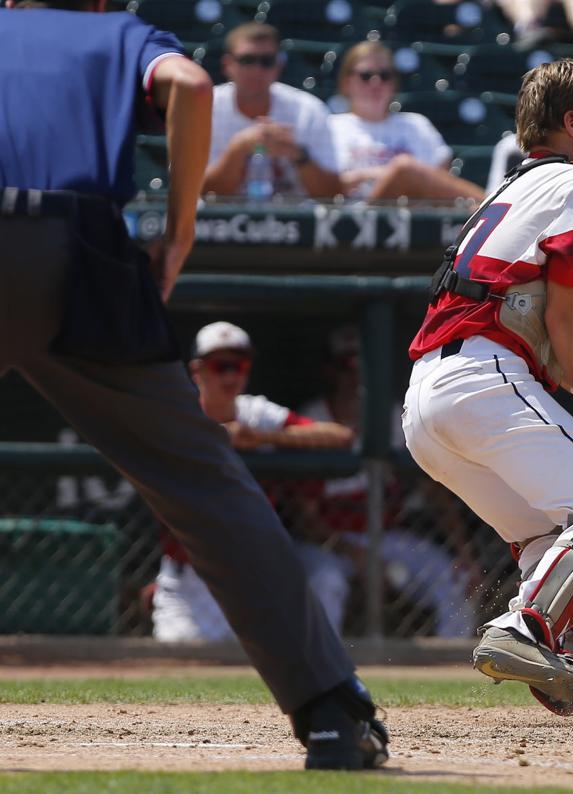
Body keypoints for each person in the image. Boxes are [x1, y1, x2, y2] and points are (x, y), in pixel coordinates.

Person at [0, 0, 386, 769]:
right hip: (75, 249)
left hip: (64, 238)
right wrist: (180, 232)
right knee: (200, 479)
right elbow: (190, 83)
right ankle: (330, 715)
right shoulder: (116, 32)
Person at [402, 59, 573, 718]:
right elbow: (568, 324)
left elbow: (540, 332)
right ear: (571, 122)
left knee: (553, 536)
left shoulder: (512, 188)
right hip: (483, 380)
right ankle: (523, 629)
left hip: (431, 401)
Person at [152, 322, 355, 643]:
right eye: (221, 366)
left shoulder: (256, 414)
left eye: (240, 365)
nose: (231, 376)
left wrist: (261, 437)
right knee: (180, 660)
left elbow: (340, 437)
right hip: (194, 578)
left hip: (255, 570)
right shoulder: (179, 416)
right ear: (197, 371)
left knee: (322, 581)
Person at [291, 326, 479, 639]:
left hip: (385, 536)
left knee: (455, 577)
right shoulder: (310, 419)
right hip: (327, 544)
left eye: (360, 366)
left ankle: (453, 659)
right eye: (345, 366)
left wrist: (464, 552)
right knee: (327, 582)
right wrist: (354, 553)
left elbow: (433, 490)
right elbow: (301, 518)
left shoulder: (391, 416)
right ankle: (325, 662)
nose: (354, 376)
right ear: (329, 370)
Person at [331, 41, 485, 204]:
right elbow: (325, 185)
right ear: (346, 83)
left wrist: (367, 175)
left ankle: (485, 207)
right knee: (404, 169)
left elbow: (439, 180)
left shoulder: (416, 124)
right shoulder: (332, 127)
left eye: (385, 75)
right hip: (353, 213)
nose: (376, 83)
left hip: (413, 214)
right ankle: (489, 207)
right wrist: (392, 174)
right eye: (366, 76)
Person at [203, 22, 343, 199]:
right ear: (227, 64)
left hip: (293, 215)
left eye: (266, 61)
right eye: (247, 60)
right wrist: (238, 148)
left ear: (278, 65)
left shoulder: (308, 111)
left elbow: (332, 193)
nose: (257, 69)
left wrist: (297, 154)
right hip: (220, 217)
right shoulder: (206, 108)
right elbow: (201, 190)